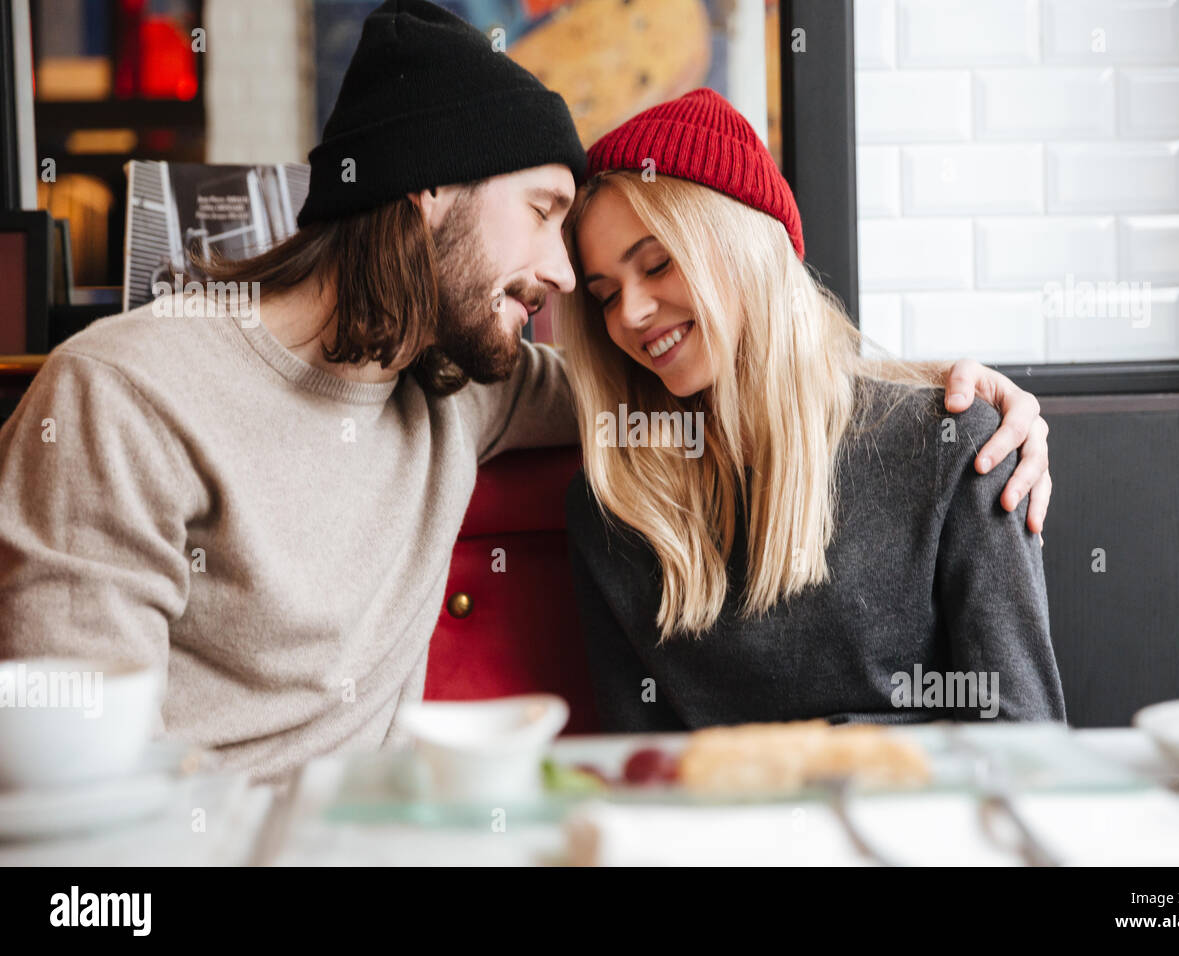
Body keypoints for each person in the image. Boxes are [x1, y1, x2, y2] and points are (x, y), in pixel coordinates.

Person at [0, 2, 1050, 783]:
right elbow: (67, 773)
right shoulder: (122, 391)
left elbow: (741, 362)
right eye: (547, 212)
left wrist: (964, 398)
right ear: (425, 191)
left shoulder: (453, 383)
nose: (570, 284)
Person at [557, 89, 1066, 732]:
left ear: (746, 247)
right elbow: (638, 770)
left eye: (657, 263)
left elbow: (1025, 741)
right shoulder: (613, 502)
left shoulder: (958, 445)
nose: (628, 314)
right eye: (604, 296)